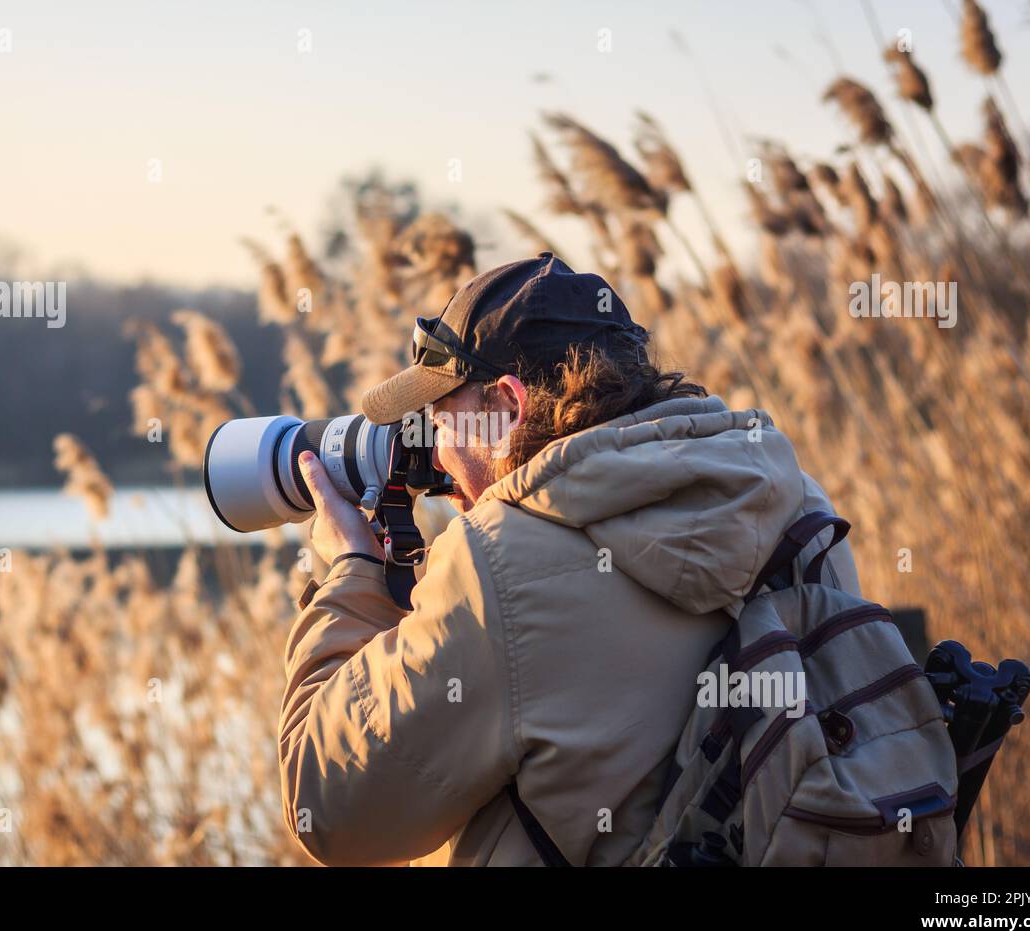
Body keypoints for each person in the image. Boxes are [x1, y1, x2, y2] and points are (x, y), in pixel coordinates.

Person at [279, 252, 859, 866]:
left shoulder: (496, 567)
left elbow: (328, 808)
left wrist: (351, 575)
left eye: (440, 417)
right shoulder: (793, 503)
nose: (436, 452)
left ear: (505, 408)